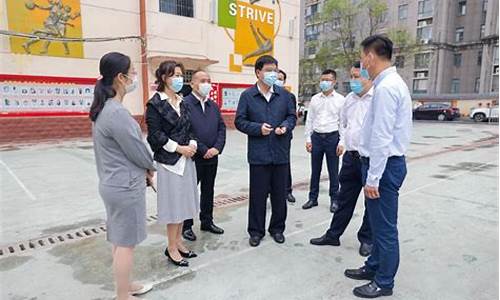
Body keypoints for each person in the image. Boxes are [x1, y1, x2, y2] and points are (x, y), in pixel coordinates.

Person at [344, 35, 412, 298]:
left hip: (382, 166)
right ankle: (373, 266)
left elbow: (382, 137)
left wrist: (373, 178)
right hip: (381, 165)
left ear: (371, 56)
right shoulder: (390, 83)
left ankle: (384, 282)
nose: (362, 64)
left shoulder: (386, 88)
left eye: (363, 58)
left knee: (384, 230)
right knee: (376, 222)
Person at [90, 52, 155, 300]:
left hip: (113, 183)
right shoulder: (116, 112)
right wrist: (150, 167)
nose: (135, 77)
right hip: (125, 186)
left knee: (120, 239)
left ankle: (126, 286)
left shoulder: (104, 109)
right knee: (126, 243)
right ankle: (122, 295)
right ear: (120, 77)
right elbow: (137, 149)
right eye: (133, 72)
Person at [310, 61, 373, 257]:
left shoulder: (378, 99)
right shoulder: (350, 100)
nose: (353, 80)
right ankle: (333, 234)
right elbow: (344, 125)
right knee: (344, 198)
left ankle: (367, 239)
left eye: (357, 76)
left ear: (369, 76)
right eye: (351, 76)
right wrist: (344, 144)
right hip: (350, 157)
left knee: (370, 203)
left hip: (370, 160)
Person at [235, 55, 297, 247]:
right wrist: (258, 129)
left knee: (280, 195)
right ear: (258, 72)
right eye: (269, 70)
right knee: (258, 196)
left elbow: (292, 116)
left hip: (280, 153)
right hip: (259, 155)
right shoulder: (247, 96)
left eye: (275, 70)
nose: (273, 74)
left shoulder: (284, 95)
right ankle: (256, 231)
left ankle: (277, 229)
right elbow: (239, 121)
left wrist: (286, 126)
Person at [145, 61, 199, 268]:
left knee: (184, 204)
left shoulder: (183, 101)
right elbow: (155, 136)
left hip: (186, 160)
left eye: (180, 75)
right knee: (173, 208)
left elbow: (190, 128)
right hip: (169, 163)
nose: (178, 79)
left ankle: (178, 242)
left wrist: (192, 144)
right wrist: (179, 148)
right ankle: (171, 248)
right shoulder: (155, 104)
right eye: (174, 75)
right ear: (163, 77)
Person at [182, 70, 226, 241]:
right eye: (202, 80)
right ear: (192, 84)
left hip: (212, 156)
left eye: (208, 80)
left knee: (208, 190)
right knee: (190, 191)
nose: (206, 83)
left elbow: (221, 128)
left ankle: (207, 221)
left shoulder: (213, 106)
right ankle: (186, 226)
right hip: (193, 156)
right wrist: (203, 149)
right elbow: (186, 130)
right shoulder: (184, 104)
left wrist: (216, 148)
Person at [303, 69, 345, 213]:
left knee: (333, 171)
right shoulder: (315, 99)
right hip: (317, 138)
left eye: (327, 80)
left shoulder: (341, 100)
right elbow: (310, 120)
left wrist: (341, 142)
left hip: (332, 138)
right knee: (315, 170)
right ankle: (312, 198)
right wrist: (308, 139)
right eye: (322, 80)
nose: (324, 82)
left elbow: (343, 123)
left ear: (334, 82)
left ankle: (334, 199)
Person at [276, 69, 297, 203]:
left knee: (285, 163)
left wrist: (285, 127)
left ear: (284, 81)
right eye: (276, 77)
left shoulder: (289, 96)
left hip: (284, 135)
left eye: (280, 78)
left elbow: (292, 116)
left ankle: (287, 190)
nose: (278, 80)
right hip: (268, 134)